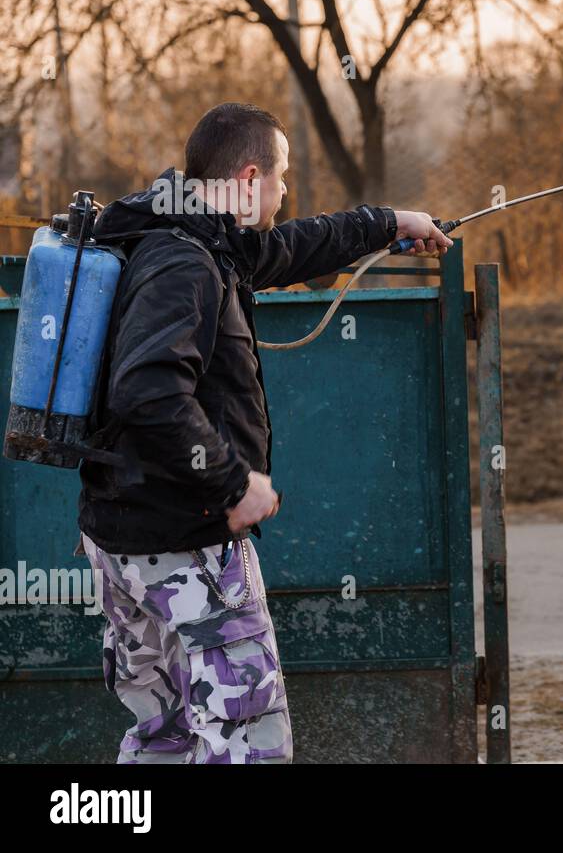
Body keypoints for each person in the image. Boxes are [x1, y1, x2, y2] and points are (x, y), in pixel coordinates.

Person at [76, 102, 451, 763]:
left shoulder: (178, 233)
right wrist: (231, 483)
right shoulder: (185, 263)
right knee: (248, 743)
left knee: (165, 735)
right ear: (250, 177)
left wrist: (388, 223)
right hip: (186, 544)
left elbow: (286, 249)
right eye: (281, 177)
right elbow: (149, 392)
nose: (285, 193)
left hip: (126, 538)